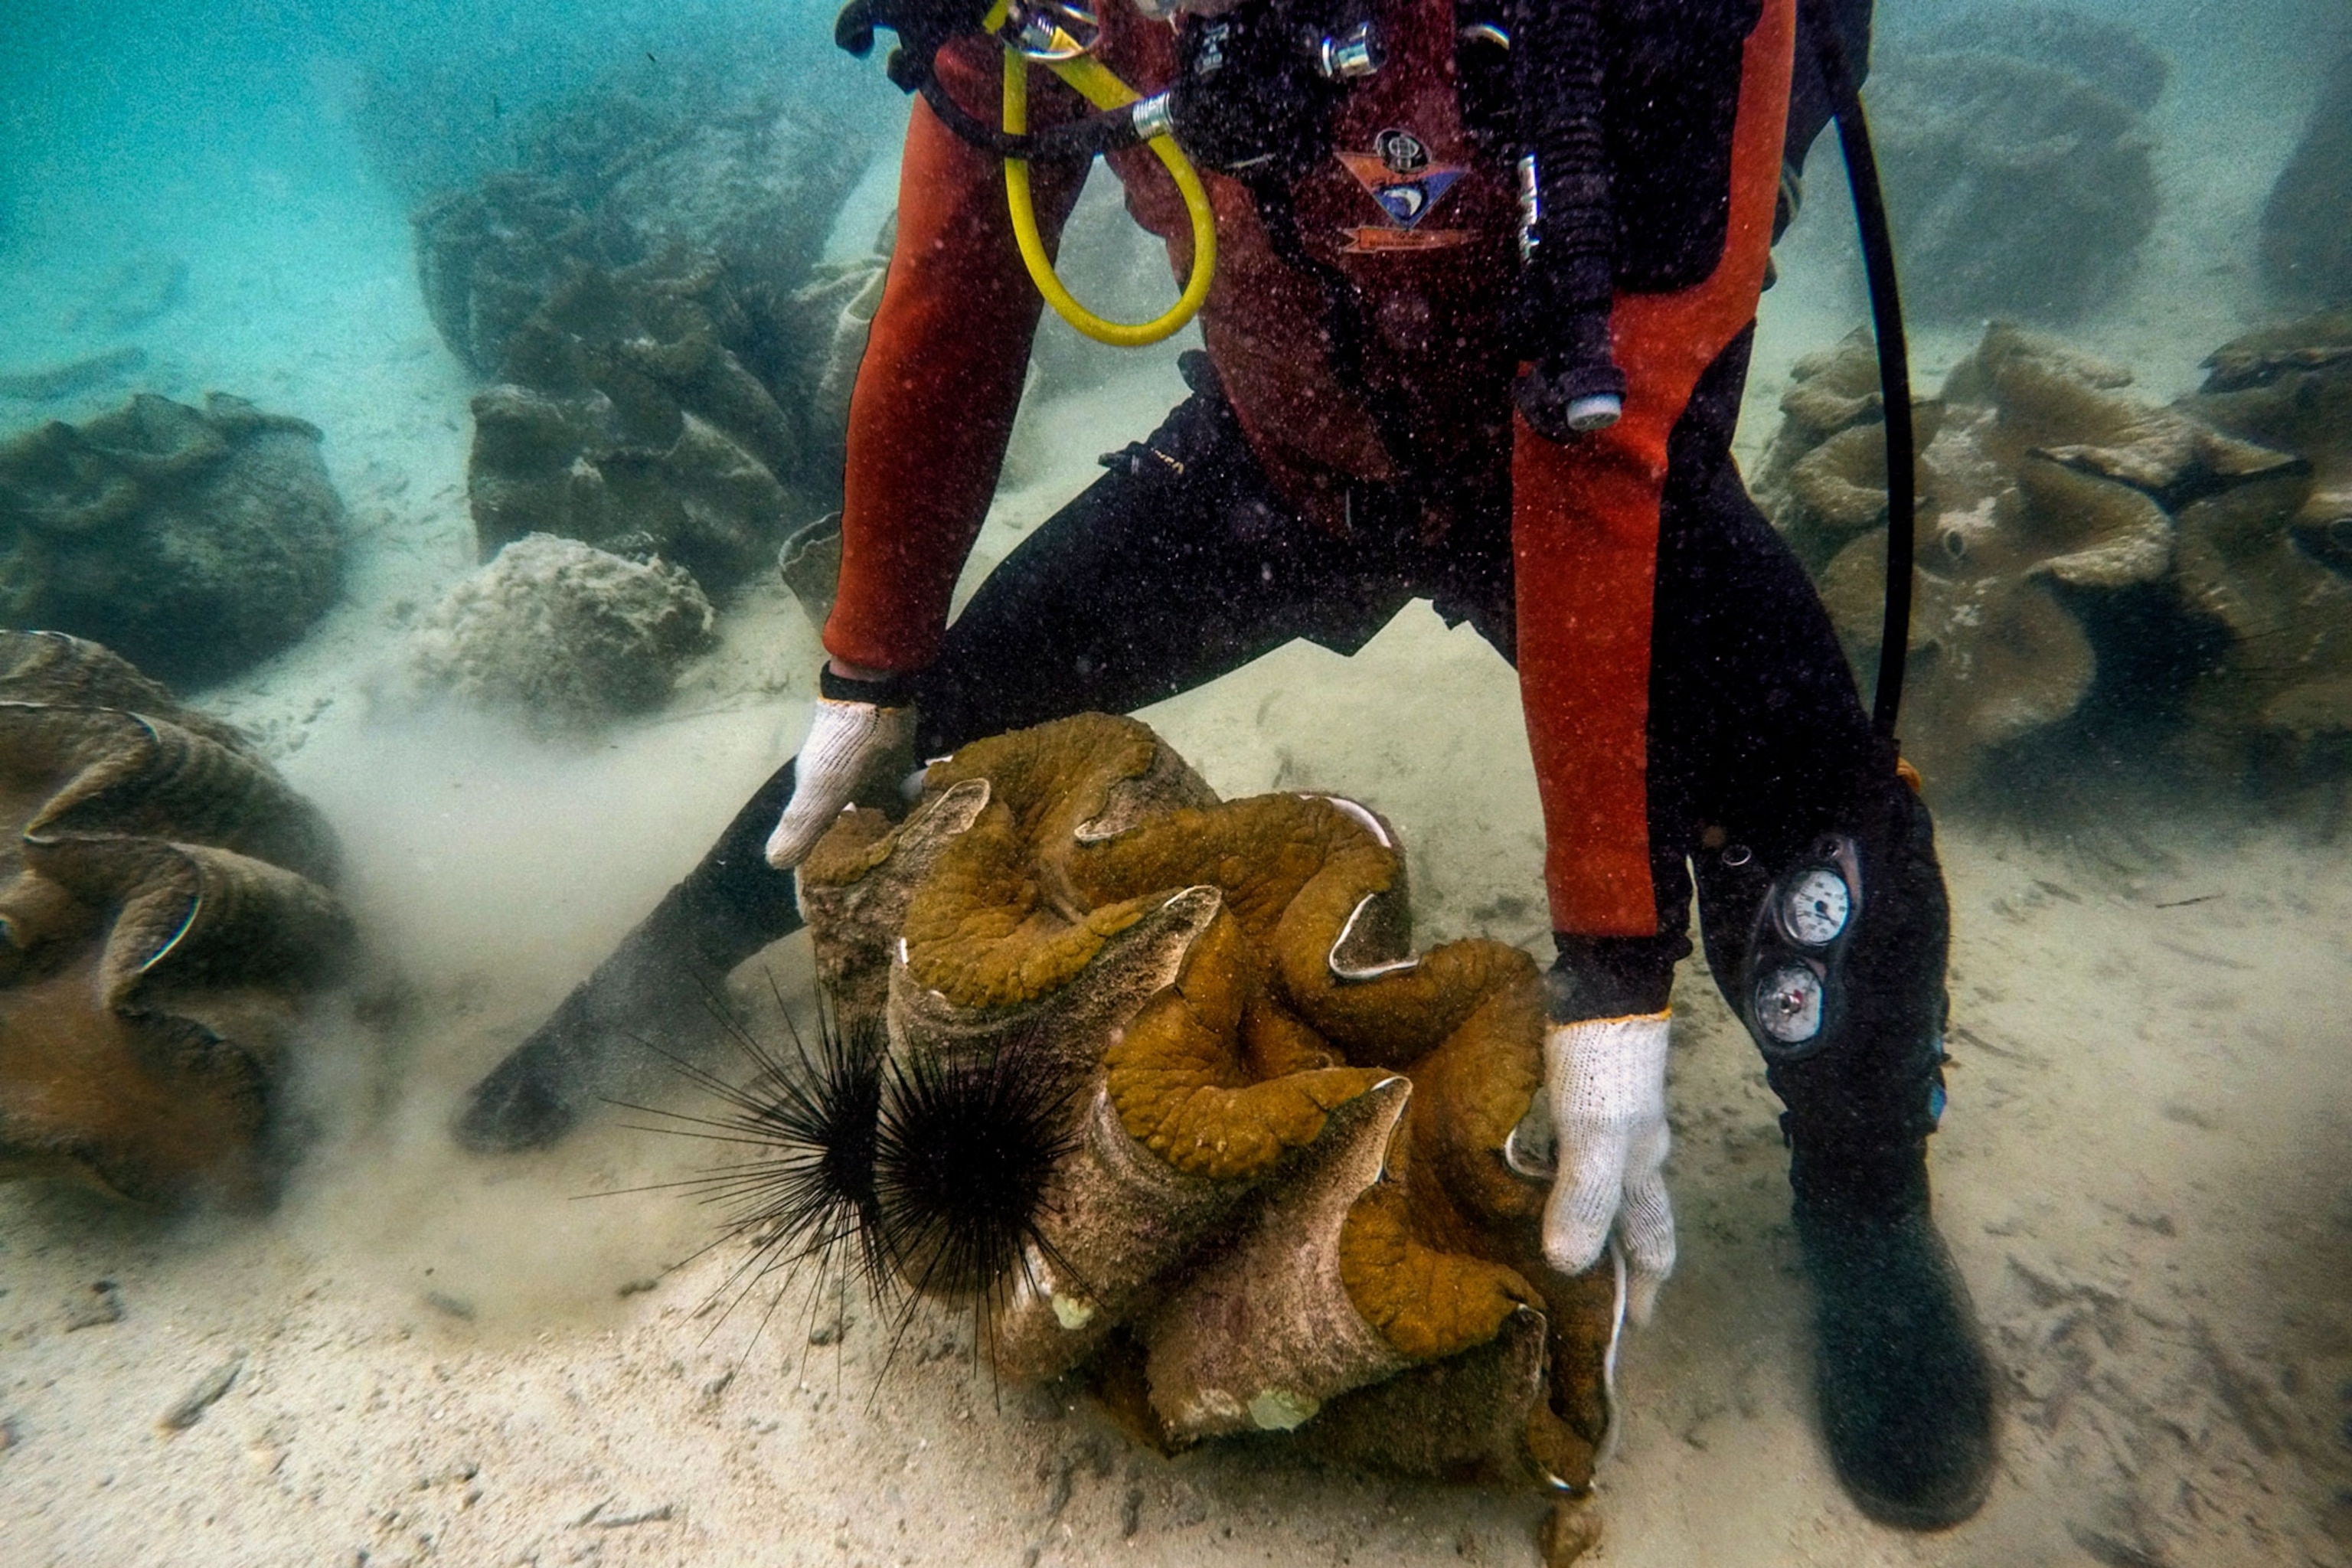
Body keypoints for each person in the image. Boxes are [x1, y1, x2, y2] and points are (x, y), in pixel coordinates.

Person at [457, 0, 1997, 1529]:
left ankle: (1864, 1198)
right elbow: (959, 280)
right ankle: (688, 948)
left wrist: (1612, 954)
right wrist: (871, 661)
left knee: (1819, 827)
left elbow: (1600, 440)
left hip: (1606, 453)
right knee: (948, 729)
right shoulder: (1042, 11)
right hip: (1287, 465)